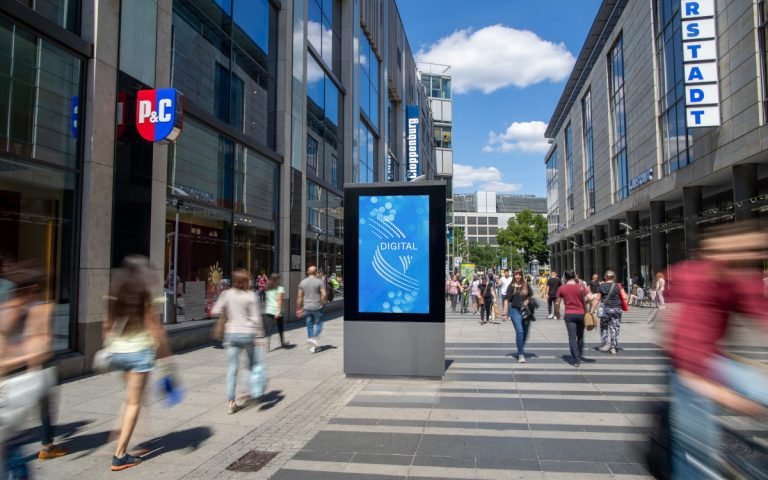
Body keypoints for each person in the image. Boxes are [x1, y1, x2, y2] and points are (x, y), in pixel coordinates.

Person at [665, 221, 768, 478]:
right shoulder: (694, 278)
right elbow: (688, 367)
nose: (755, 255)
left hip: (715, 358)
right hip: (688, 369)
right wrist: (733, 400)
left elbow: (762, 314)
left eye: (757, 250)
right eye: (746, 250)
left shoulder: (743, 275)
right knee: (696, 444)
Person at [102, 256, 171, 471]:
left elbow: (107, 326)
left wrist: (111, 345)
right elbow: (154, 328)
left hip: (117, 353)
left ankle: (121, 434)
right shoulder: (144, 295)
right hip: (139, 353)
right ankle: (120, 455)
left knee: (131, 398)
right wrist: (166, 358)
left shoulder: (115, 293)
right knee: (135, 402)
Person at [0, 262, 67, 466]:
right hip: (33, 374)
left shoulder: (7, 309)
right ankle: (47, 446)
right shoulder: (41, 308)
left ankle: (46, 446)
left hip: (11, 377)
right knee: (43, 410)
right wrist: (29, 359)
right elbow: (42, 348)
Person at [211, 269, 265, 414]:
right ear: (246, 281)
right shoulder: (250, 295)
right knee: (252, 365)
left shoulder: (226, 294)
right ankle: (247, 391)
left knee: (232, 369)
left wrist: (226, 311)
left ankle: (231, 402)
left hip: (231, 334)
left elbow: (214, 311)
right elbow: (256, 318)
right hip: (247, 334)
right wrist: (259, 336)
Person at [556, 271, 590, 367]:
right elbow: (589, 298)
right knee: (580, 335)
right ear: (575, 277)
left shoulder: (562, 288)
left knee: (572, 337)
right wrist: (584, 303)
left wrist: (557, 313)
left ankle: (576, 359)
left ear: (565, 278)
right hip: (581, 314)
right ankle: (579, 354)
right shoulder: (581, 287)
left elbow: (557, 303)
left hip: (569, 315)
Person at [591, 270, 624, 355]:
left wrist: (592, 309)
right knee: (615, 328)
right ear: (614, 277)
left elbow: (597, 299)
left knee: (604, 327)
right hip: (616, 309)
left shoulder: (602, 286)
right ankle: (613, 347)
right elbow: (625, 297)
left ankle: (606, 344)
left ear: (605, 277)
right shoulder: (618, 286)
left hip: (605, 310)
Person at [502, 270, 532, 363]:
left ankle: (520, 348)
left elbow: (531, 296)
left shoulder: (526, 285)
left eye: (519, 275)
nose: (518, 276)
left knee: (525, 333)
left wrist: (528, 300)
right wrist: (504, 313)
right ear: (514, 276)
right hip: (515, 311)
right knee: (520, 331)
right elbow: (506, 300)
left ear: (522, 276)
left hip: (525, 311)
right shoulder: (511, 287)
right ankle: (521, 354)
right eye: (516, 275)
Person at [296, 266, 326, 353]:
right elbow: (324, 295)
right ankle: (314, 338)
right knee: (319, 323)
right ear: (316, 272)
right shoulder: (320, 282)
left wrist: (298, 308)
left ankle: (313, 346)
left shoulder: (302, 282)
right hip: (317, 306)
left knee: (309, 325)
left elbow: (299, 297)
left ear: (307, 272)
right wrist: (322, 303)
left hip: (307, 307)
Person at [262, 273, 288, 350]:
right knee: (280, 327)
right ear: (277, 279)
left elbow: (266, 299)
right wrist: (278, 311)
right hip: (276, 310)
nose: (280, 280)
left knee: (270, 328)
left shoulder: (267, 288)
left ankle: (268, 343)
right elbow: (279, 300)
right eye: (279, 279)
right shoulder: (280, 288)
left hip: (268, 310)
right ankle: (282, 342)